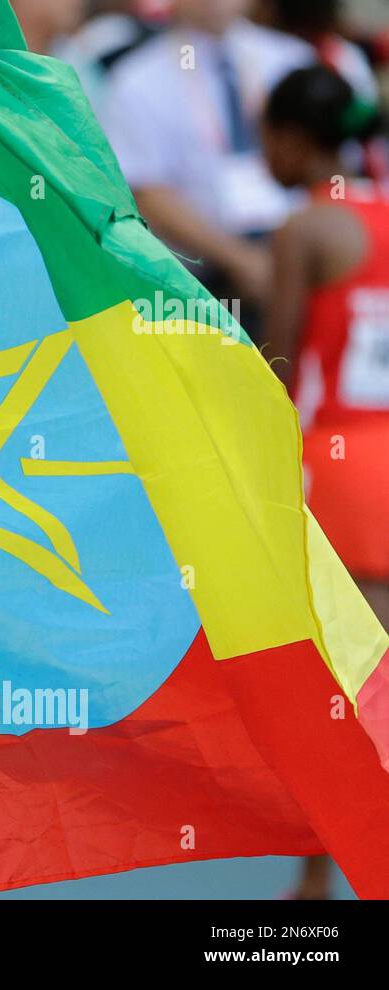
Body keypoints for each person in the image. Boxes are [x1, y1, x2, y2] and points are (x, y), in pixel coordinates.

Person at [260, 65, 388, 901]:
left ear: (292, 139)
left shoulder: (306, 229)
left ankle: (317, 878)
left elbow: (274, 369)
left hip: (340, 474)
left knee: (342, 689)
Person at [101, 0, 314, 315]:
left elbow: (326, 161)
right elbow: (146, 191)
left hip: (299, 262)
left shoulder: (292, 60)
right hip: (202, 281)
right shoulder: (137, 79)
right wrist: (240, 260)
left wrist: (290, 260)